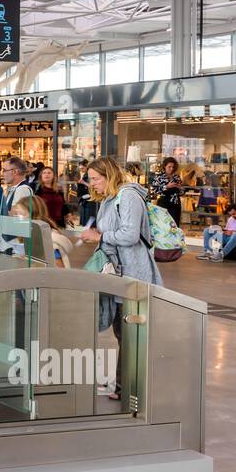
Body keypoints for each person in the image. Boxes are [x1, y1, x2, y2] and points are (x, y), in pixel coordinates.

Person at [82, 156, 161, 400]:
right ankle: (122, 384)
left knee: (129, 332)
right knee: (122, 331)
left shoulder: (128, 196)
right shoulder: (109, 199)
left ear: (109, 175)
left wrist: (99, 237)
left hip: (133, 273)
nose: (92, 184)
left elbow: (129, 235)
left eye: (95, 179)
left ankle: (128, 386)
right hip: (118, 273)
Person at [12, 193, 73, 267]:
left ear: (34, 216)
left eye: (21, 214)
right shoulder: (27, 236)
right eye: (16, 214)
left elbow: (58, 269)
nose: (17, 218)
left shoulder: (49, 241)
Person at [150, 156, 184, 227]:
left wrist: (180, 188)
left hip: (175, 204)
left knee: (174, 225)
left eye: (173, 167)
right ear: (165, 166)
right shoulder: (159, 177)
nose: (171, 169)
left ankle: (175, 238)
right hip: (163, 204)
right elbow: (154, 190)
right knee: (163, 225)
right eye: (169, 167)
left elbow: (182, 193)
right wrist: (167, 186)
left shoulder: (176, 177)